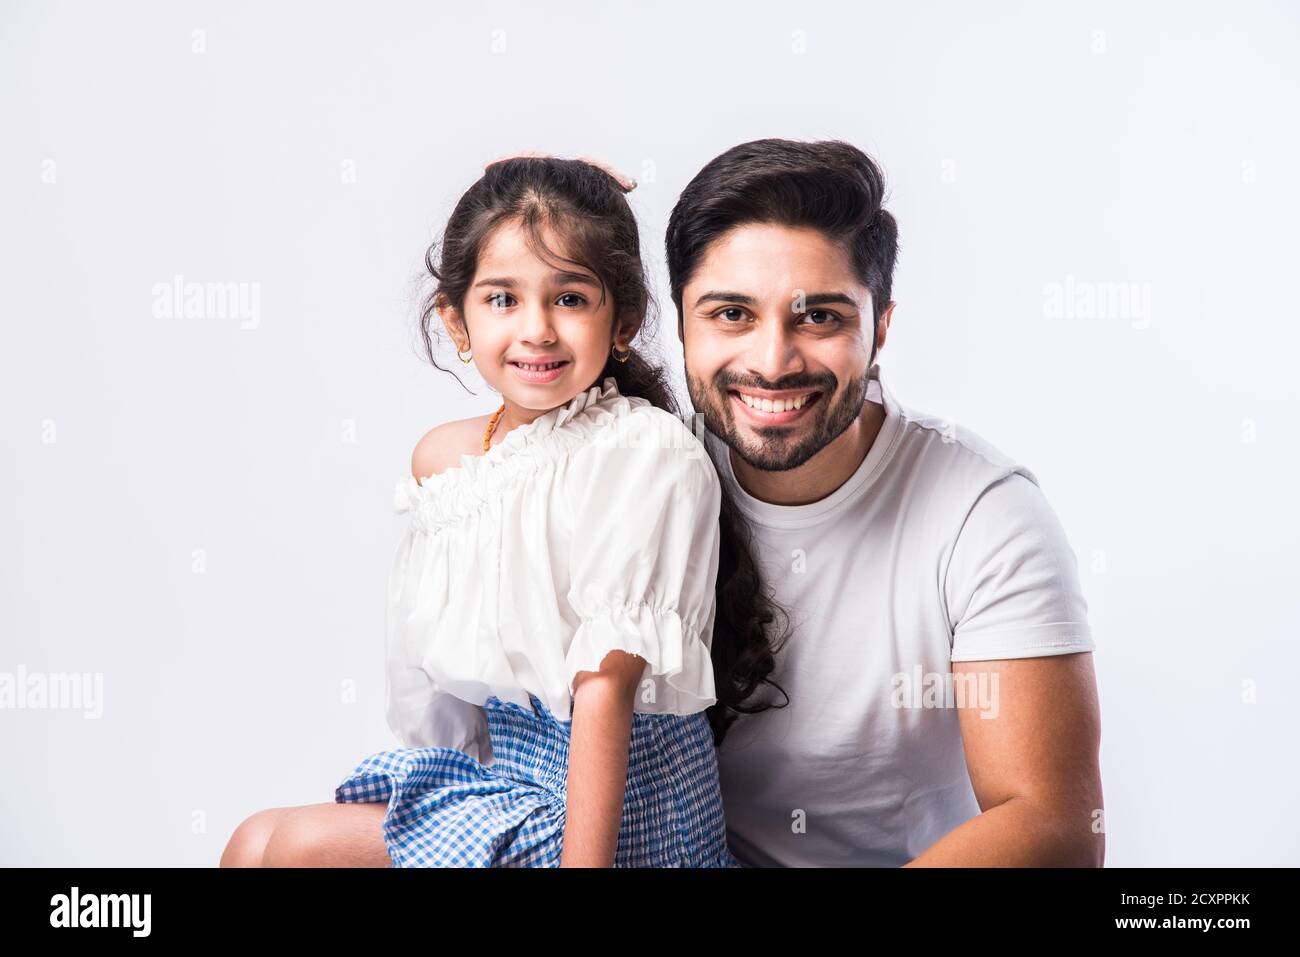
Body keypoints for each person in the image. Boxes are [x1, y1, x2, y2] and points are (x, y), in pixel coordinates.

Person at [219, 156, 790, 868]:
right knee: (252, 840)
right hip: (516, 779)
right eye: (502, 299)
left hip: (622, 812)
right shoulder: (447, 463)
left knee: (298, 851)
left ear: (625, 320)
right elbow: (445, 693)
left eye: (571, 298)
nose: (538, 329)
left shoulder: (640, 450)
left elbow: (605, 688)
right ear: (455, 321)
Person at [665, 138, 1105, 867]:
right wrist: (547, 197)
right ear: (682, 323)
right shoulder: (643, 477)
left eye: (820, 318)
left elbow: (1054, 824)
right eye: (732, 314)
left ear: (881, 331)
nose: (772, 362)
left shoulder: (982, 513)